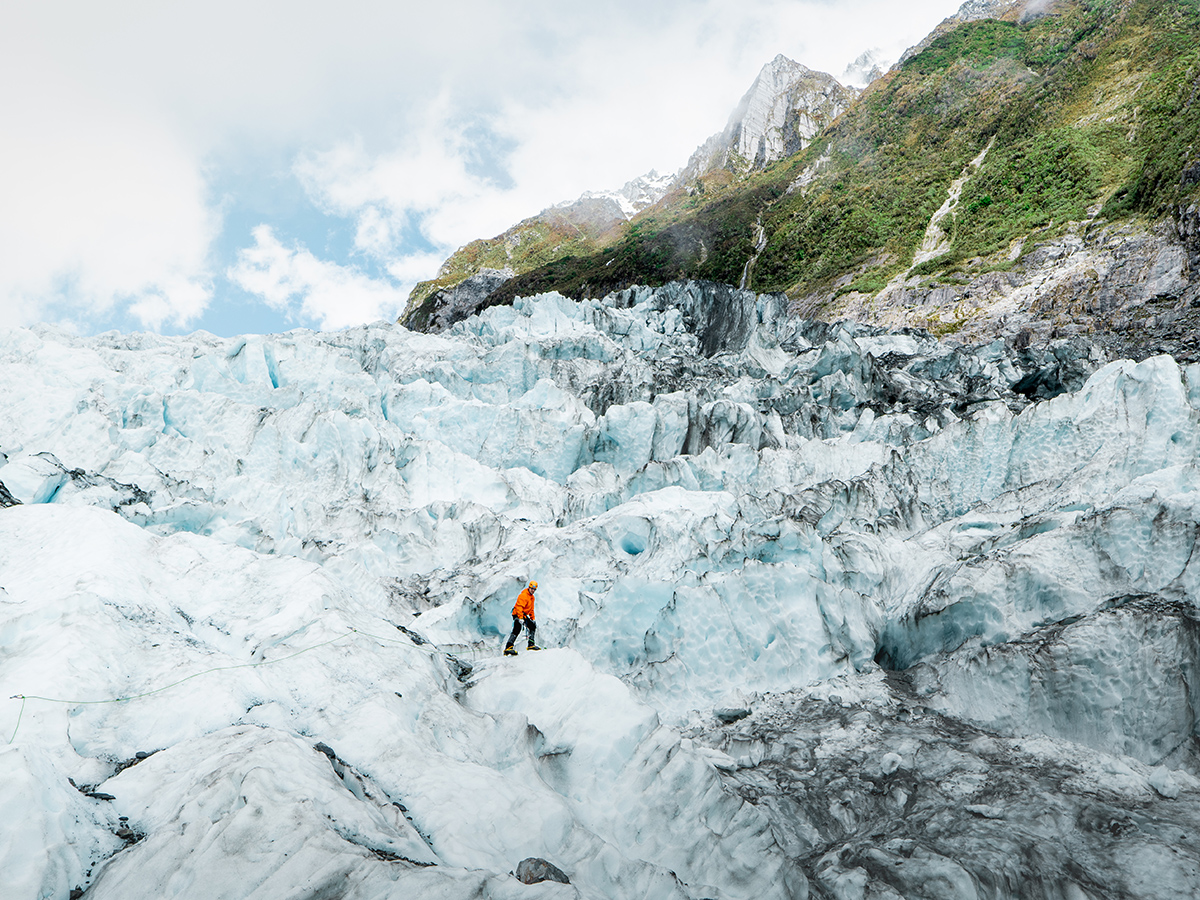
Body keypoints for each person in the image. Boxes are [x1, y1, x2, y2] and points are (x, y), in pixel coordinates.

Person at [504, 581, 540, 656]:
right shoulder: (523, 595)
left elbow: (531, 609)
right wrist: (520, 618)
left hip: (523, 615)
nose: (533, 590)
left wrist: (532, 619)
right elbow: (519, 607)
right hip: (517, 613)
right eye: (532, 589)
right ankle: (508, 647)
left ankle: (531, 644)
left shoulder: (532, 598)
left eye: (534, 589)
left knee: (532, 626)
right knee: (517, 628)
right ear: (529, 587)